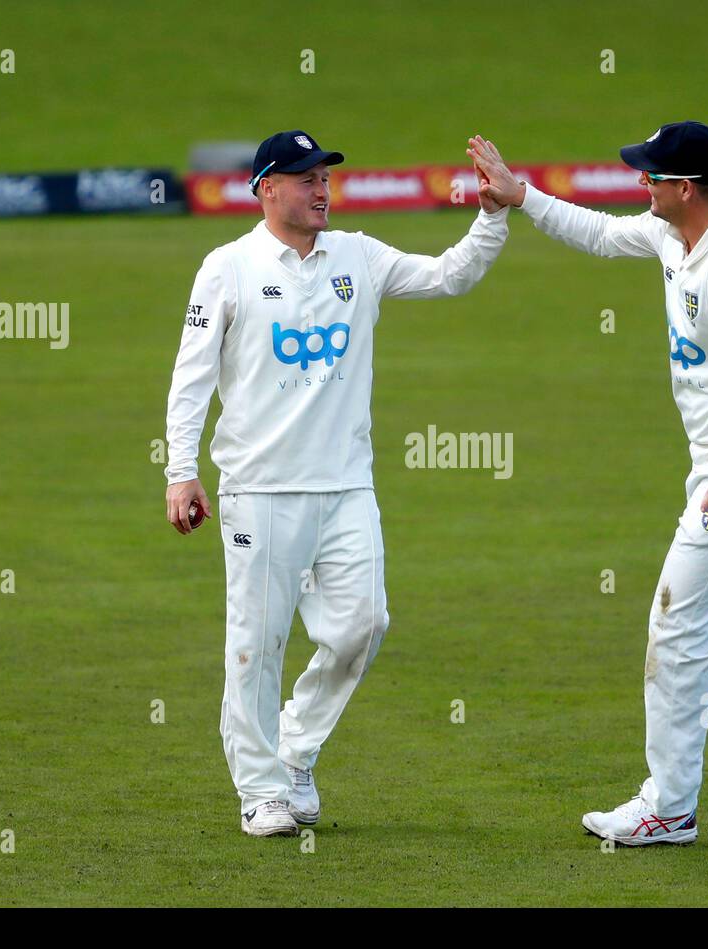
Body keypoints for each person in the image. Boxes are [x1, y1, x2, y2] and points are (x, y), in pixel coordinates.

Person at [467, 124, 708, 846]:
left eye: (652, 178)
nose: (642, 186)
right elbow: (601, 234)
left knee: (678, 622)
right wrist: (522, 195)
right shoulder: (676, 236)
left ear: (684, 188)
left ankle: (668, 806)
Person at [166, 129, 508, 837]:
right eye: (303, 177)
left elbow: (450, 275)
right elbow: (191, 376)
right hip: (259, 489)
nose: (321, 188)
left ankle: (294, 749)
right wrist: (180, 470)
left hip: (347, 486)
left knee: (364, 624)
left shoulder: (357, 254)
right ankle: (260, 791)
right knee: (256, 644)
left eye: (323, 176)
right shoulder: (226, 268)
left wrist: (493, 214)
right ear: (265, 188)